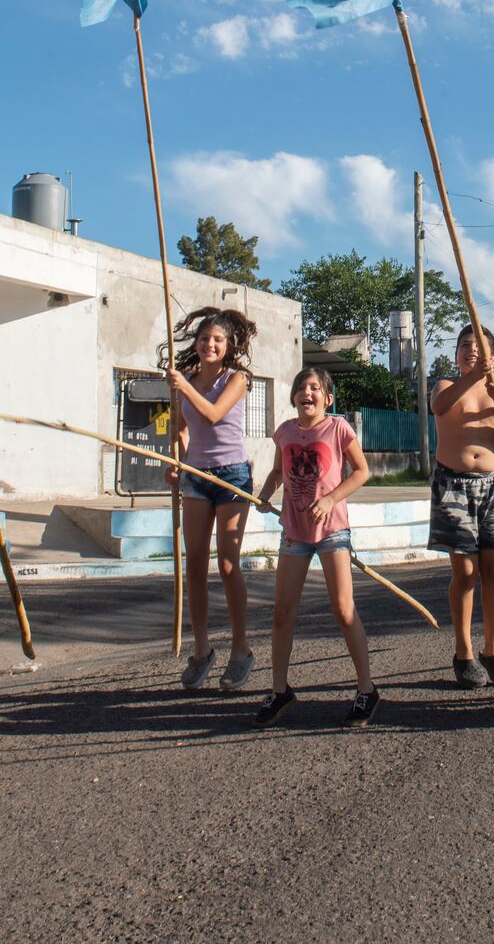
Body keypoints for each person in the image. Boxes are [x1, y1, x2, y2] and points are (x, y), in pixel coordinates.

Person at [250, 368, 378, 728]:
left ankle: (366, 690)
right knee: (282, 612)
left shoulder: (338, 428)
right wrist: (263, 497)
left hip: (332, 530)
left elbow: (362, 471)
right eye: (302, 388)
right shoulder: (285, 432)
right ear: (293, 397)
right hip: (294, 531)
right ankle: (279, 692)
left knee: (342, 608)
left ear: (328, 398)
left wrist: (331, 498)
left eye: (316, 388)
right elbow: (278, 472)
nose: (308, 393)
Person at [429, 323, 494, 688]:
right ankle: (464, 652)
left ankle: (493, 649)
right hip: (452, 485)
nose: (471, 350)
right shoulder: (445, 386)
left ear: (493, 357)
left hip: (493, 488)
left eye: (479, 347)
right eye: (465, 345)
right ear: (456, 354)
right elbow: (440, 407)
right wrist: (475, 378)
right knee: (466, 573)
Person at [167, 306, 260, 692]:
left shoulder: (236, 379)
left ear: (229, 346)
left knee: (226, 564)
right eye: (205, 338)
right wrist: (175, 460)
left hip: (232, 477)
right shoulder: (184, 380)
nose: (210, 344)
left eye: (217, 340)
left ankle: (241, 649)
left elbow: (214, 416)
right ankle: (202, 649)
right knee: (195, 567)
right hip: (197, 477)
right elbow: (180, 429)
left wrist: (184, 387)